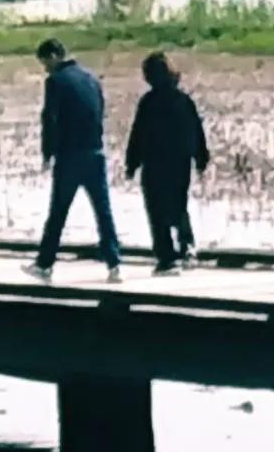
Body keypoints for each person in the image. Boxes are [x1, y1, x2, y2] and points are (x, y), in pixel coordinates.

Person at [30, 36, 122, 279]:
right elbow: (99, 110)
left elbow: (50, 120)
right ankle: (114, 265)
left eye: (44, 63)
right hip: (95, 151)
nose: (45, 69)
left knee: (58, 211)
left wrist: (47, 153)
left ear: (53, 57)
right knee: (103, 211)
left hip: (70, 155)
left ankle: (44, 264)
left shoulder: (55, 82)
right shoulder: (92, 78)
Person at [124, 48, 211, 275]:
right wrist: (201, 159)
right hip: (179, 164)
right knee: (178, 206)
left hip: (155, 165)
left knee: (156, 211)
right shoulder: (183, 100)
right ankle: (187, 248)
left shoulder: (148, 102)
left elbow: (138, 135)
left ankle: (166, 259)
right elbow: (196, 132)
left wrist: (131, 164)